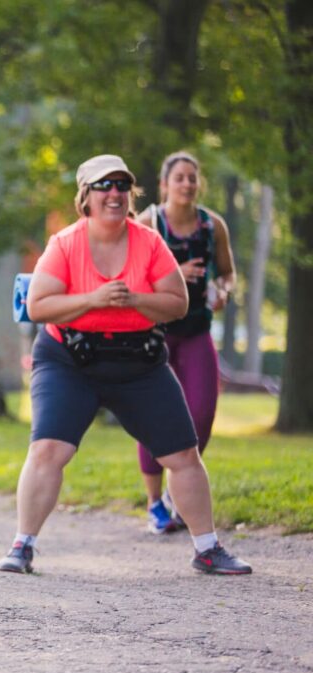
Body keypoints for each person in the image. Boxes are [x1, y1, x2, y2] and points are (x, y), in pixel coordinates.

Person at [0, 154, 251, 576]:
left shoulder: (149, 243)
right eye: (104, 186)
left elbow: (177, 303)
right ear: (86, 198)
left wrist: (134, 299)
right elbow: (38, 305)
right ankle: (23, 545)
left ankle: (207, 549)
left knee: (184, 455)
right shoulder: (65, 243)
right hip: (69, 360)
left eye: (121, 186)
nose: (114, 194)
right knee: (48, 450)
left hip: (138, 361)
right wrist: (92, 300)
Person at [135, 151, 236, 534]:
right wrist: (175, 272)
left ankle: (181, 490)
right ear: (164, 184)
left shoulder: (213, 226)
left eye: (192, 178)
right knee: (153, 417)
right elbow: (130, 275)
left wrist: (222, 290)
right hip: (156, 335)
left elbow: (227, 273)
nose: (187, 184)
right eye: (179, 177)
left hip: (196, 331)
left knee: (203, 414)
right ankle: (154, 503)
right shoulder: (149, 223)